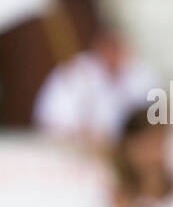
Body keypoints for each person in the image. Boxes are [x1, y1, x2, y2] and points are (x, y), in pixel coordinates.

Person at [32, 21, 159, 149]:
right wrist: (80, 132)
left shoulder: (142, 74)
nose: (113, 54)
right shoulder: (75, 73)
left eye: (117, 47)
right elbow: (50, 116)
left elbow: (153, 117)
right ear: (98, 47)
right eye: (109, 47)